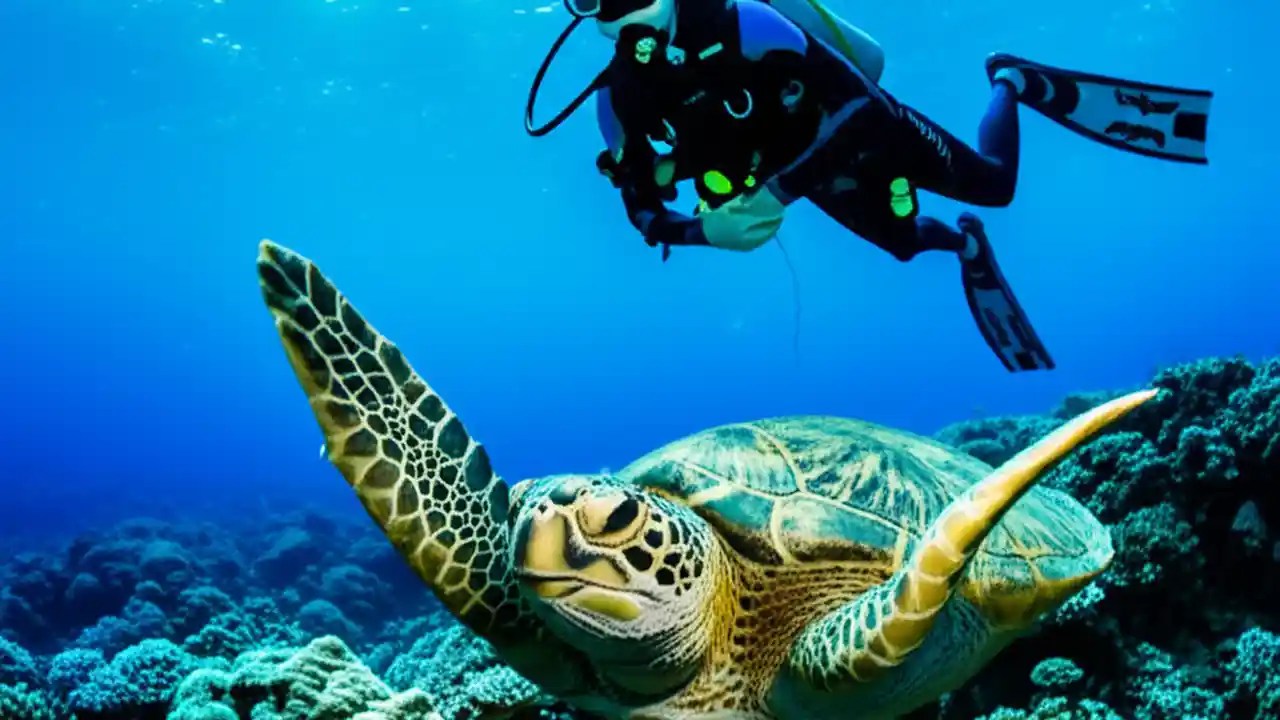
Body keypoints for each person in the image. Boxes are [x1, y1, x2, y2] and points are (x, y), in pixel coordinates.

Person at [524, 0, 1213, 372]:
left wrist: (775, 194)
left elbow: (865, 107)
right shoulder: (619, 103)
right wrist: (703, 231)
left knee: (996, 185)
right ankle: (963, 243)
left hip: (869, 137)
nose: (620, 4)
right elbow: (643, 212)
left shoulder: (745, 20)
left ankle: (1010, 79)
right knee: (908, 246)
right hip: (812, 179)